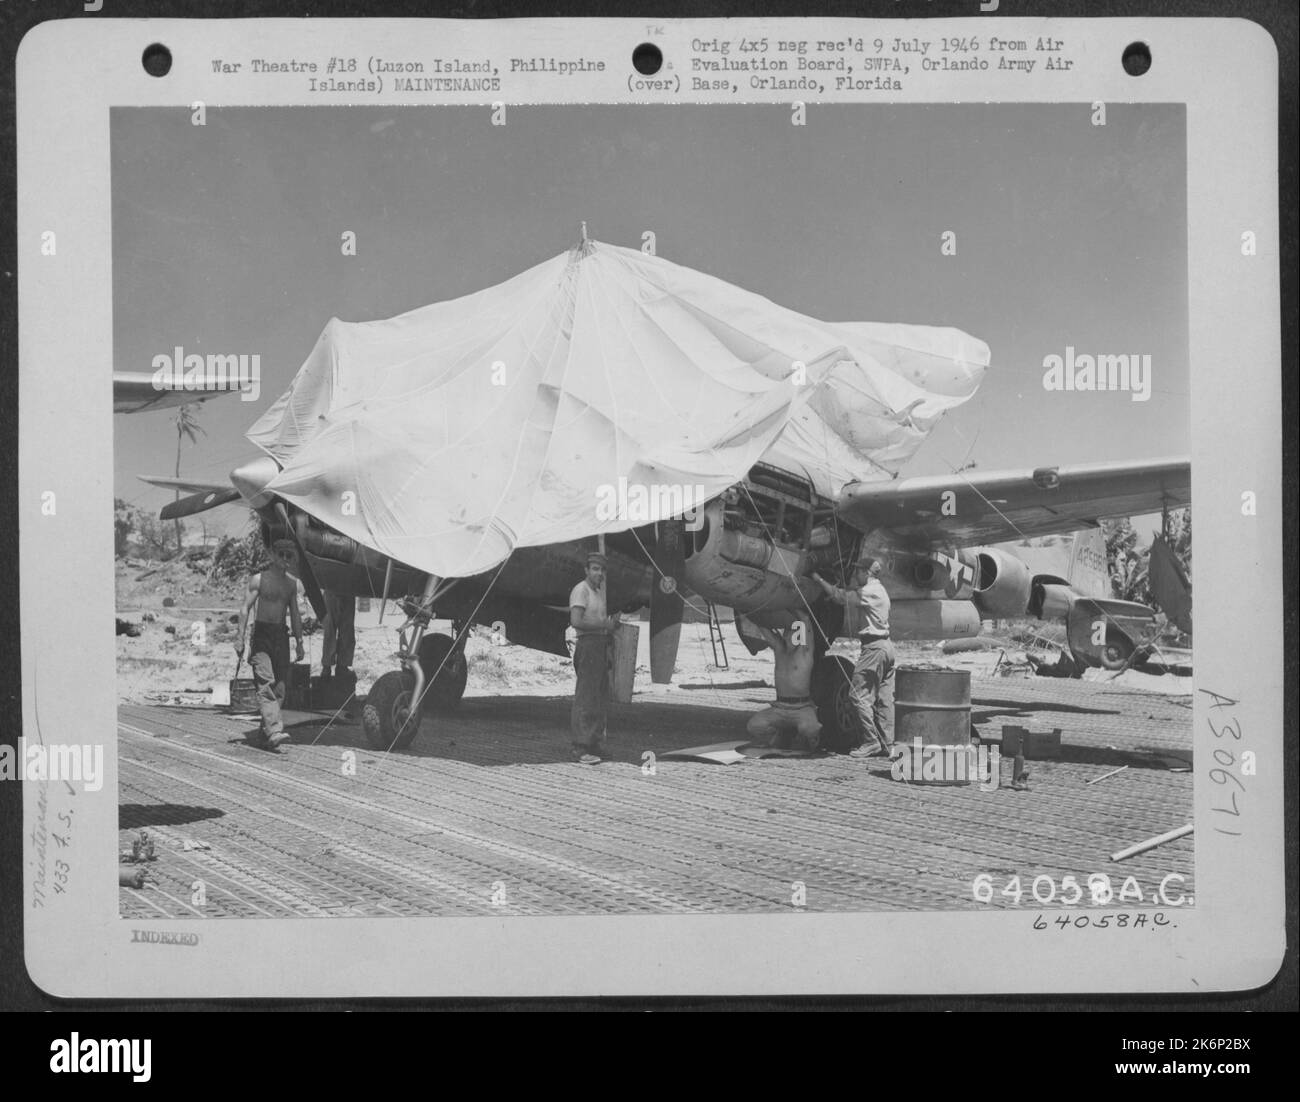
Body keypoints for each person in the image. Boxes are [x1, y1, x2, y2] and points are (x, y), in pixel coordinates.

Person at [810, 558, 895, 758]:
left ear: (867, 573)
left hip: (874, 648)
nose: (855, 575)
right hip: (886, 647)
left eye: (858, 571)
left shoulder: (869, 591)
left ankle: (870, 741)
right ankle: (888, 743)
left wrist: (818, 579)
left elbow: (840, 597)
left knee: (857, 695)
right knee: (884, 699)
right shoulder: (880, 590)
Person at [237, 539, 306, 751]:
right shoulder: (259, 580)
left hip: (281, 636)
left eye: (289, 555)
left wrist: (299, 642)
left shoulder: (292, 584)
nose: (285, 559)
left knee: (280, 689)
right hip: (261, 635)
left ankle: (265, 735)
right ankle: (275, 730)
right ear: (272, 555)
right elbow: (245, 608)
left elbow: (295, 615)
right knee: (265, 682)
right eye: (281, 554)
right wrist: (239, 638)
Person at [569, 552, 620, 764]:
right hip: (588, 644)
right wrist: (604, 625)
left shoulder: (597, 592)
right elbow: (576, 621)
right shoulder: (581, 590)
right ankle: (580, 748)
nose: (599, 573)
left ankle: (594, 744)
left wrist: (609, 628)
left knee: (599, 697)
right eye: (595, 569)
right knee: (586, 697)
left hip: (599, 645)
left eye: (601, 570)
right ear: (587, 570)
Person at [745, 613, 821, 750]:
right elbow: (764, 629)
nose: (787, 636)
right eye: (786, 633)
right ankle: (782, 734)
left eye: (791, 634)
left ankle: (805, 741)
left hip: (801, 708)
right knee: (753, 726)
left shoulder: (805, 653)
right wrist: (751, 612)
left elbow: (806, 624)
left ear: (798, 637)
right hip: (780, 708)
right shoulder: (779, 650)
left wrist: (800, 613)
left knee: (810, 729)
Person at [321, 589, 356, 684]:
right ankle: (327, 667)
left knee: (347, 630)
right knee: (330, 629)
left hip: (348, 591)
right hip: (332, 589)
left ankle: (342, 666)